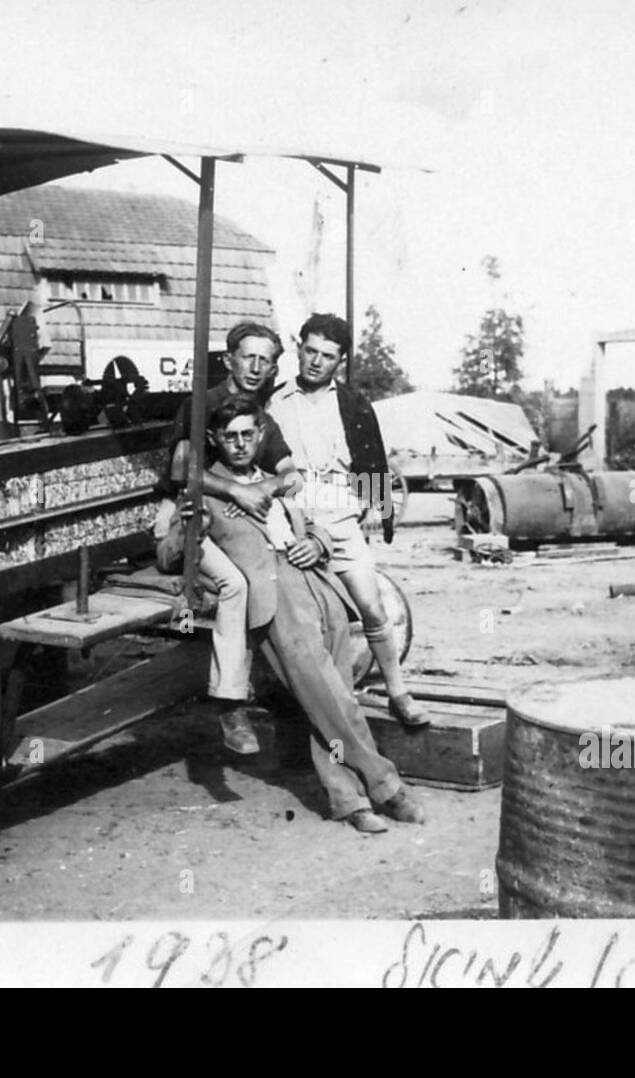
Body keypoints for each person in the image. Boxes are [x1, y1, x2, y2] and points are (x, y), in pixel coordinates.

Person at [156, 394, 426, 833]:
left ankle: (347, 799)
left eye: (248, 434)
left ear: (260, 436)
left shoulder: (275, 480)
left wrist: (318, 541)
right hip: (275, 601)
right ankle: (384, 783)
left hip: (319, 588)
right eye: (230, 437)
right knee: (332, 698)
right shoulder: (202, 488)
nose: (240, 444)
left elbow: (311, 522)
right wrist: (188, 529)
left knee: (333, 698)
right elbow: (168, 556)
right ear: (214, 440)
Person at [267, 313, 430, 728]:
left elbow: (371, 463)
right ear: (298, 348)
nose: (316, 362)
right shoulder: (275, 402)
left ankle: (397, 691)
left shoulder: (353, 404)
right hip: (293, 521)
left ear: (339, 361)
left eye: (328, 356)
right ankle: (304, 704)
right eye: (310, 351)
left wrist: (374, 516)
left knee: (373, 608)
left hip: (340, 519)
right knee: (302, 618)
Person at [155, 322, 302, 756]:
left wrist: (262, 489)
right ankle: (231, 702)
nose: (256, 368)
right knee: (234, 584)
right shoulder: (202, 405)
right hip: (186, 513)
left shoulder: (263, 417)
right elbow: (182, 472)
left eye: (266, 360)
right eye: (248, 357)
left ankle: (285, 696)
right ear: (229, 360)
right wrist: (235, 489)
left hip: (228, 514)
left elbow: (289, 474)